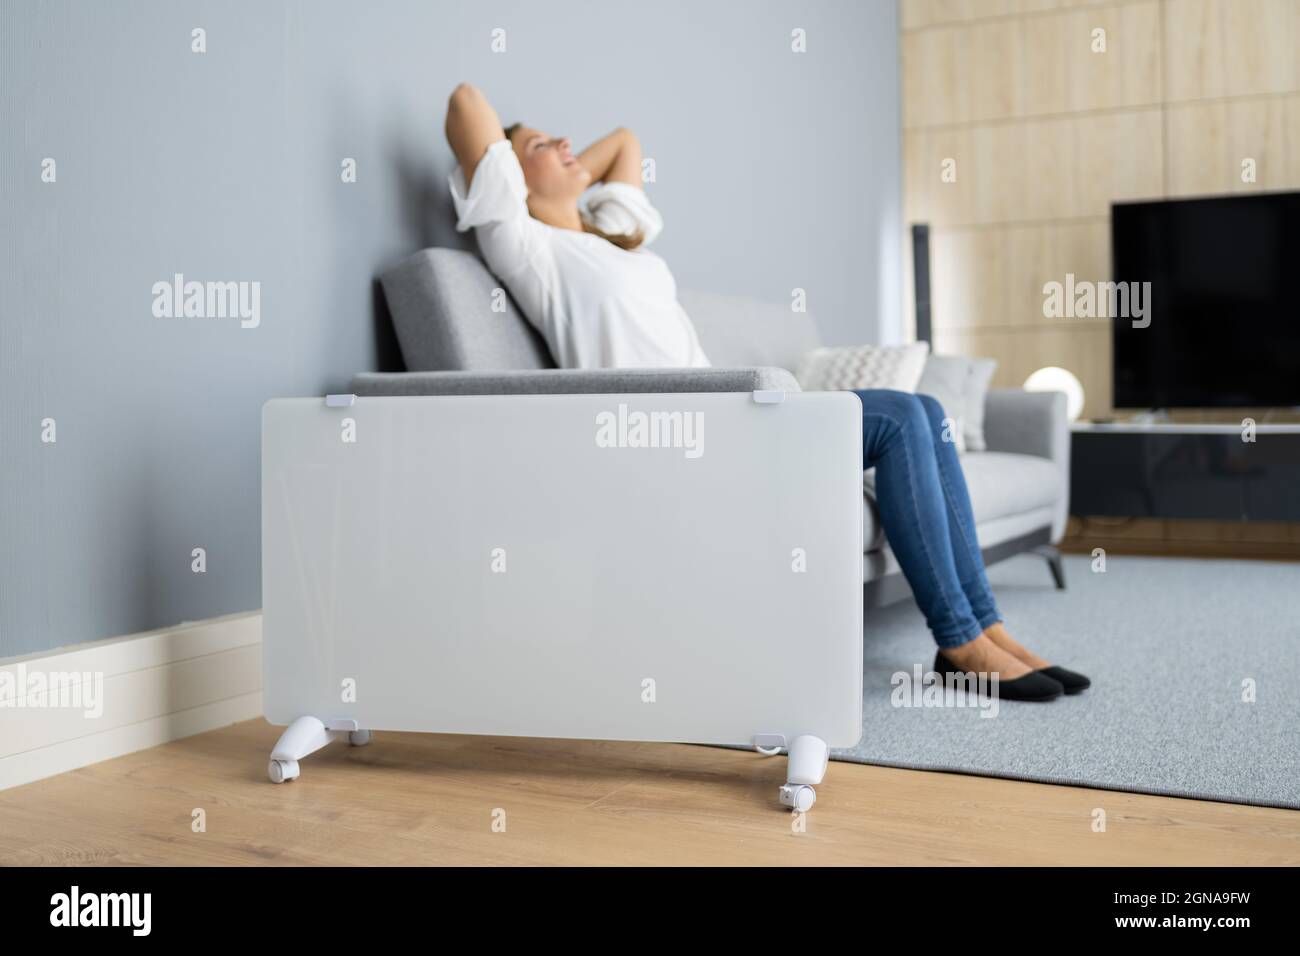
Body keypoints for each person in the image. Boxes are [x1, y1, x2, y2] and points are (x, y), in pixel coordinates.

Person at [444, 83, 1089, 702]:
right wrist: (532, 167)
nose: (564, 143)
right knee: (895, 418)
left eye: (563, 139)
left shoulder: (610, 238)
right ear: (506, 181)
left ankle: (985, 625)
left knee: (925, 409)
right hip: (684, 437)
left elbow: (626, 142)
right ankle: (957, 644)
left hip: (728, 415)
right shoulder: (527, 247)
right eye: (536, 148)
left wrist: (554, 162)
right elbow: (465, 102)